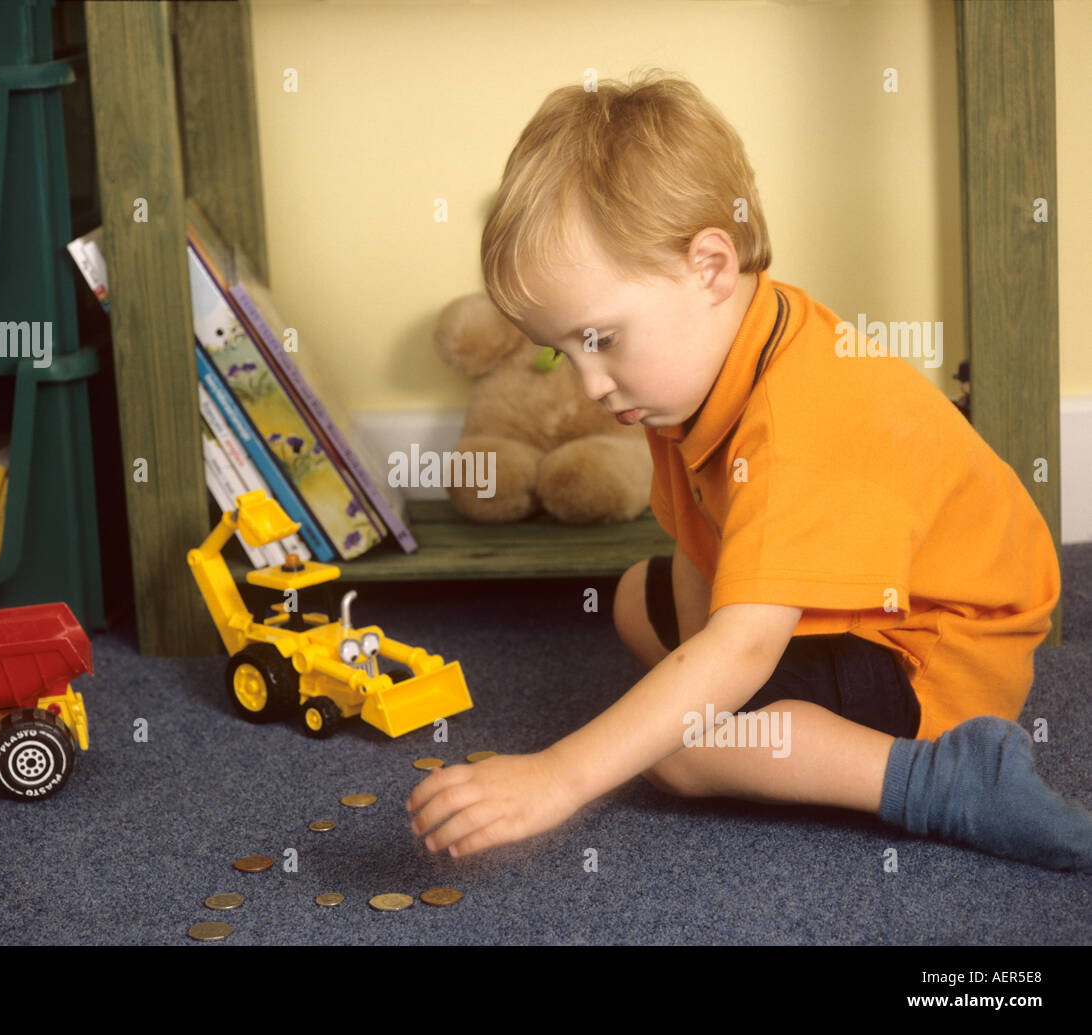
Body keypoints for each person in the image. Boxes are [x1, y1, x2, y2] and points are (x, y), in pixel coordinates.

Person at [407, 70, 1091, 873]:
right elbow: (703, 542)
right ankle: (749, 720)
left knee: (681, 755)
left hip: (932, 648)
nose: (589, 382)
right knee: (638, 597)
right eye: (565, 350)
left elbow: (739, 647)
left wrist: (559, 776)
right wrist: (707, 675)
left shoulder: (799, 414)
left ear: (709, 266)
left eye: (601, 339)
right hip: (856, 600)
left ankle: (945, 775)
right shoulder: (682, 372)